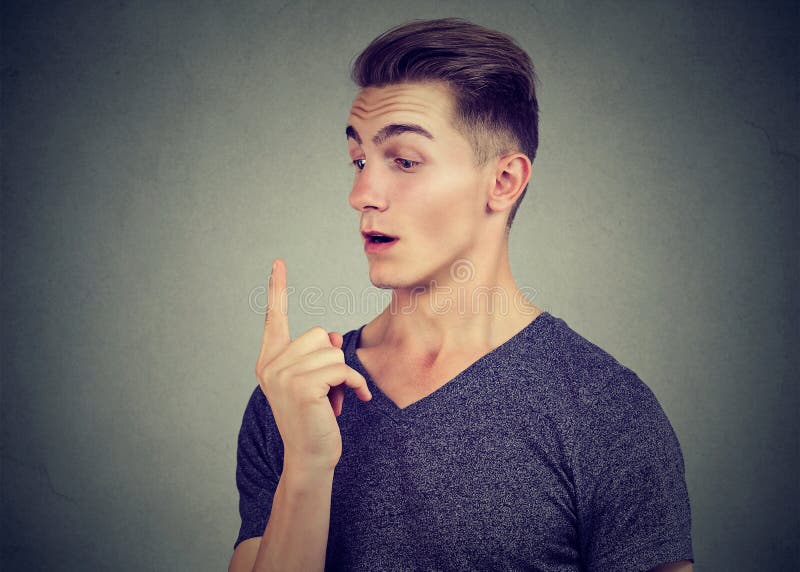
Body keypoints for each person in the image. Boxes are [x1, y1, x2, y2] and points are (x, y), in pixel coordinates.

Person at [228, 18, 694, 572]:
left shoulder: (607, 413)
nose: (361, 194)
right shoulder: (295, 400)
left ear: (503, 181)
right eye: (359, 161)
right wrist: (305, 464)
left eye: (403, 160)